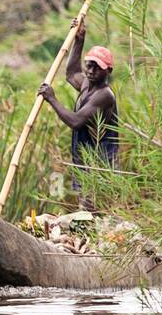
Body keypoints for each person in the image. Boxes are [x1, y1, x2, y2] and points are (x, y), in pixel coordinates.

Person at [38, 20, 118, 210]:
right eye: (89, 66)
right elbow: (71, 72)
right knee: (85, 205)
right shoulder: (86, 85)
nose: (90, 71)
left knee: (92, 208)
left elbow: (76, 121)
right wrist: (79, 40)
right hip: (85, 160)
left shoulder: (104, 95)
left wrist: (52, 99)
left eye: (96, 67)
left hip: (99, 163)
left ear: (108, 71)